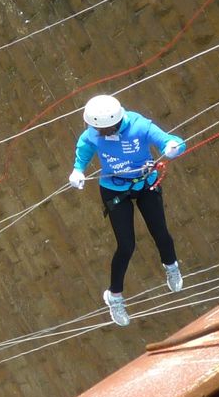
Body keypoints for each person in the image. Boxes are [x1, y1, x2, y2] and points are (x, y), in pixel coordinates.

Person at [67, 94, 185, 327]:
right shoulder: (94, 133)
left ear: (111, 124)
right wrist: (78, 169)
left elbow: (170, 140)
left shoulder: (139, 126)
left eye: (98, 129)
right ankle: (114, 296)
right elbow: (85, 147)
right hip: (114, 189)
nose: (95, 131)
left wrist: (173, 147)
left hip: (145, 183)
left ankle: (171, 266)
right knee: (126, 245)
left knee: (160, 232)